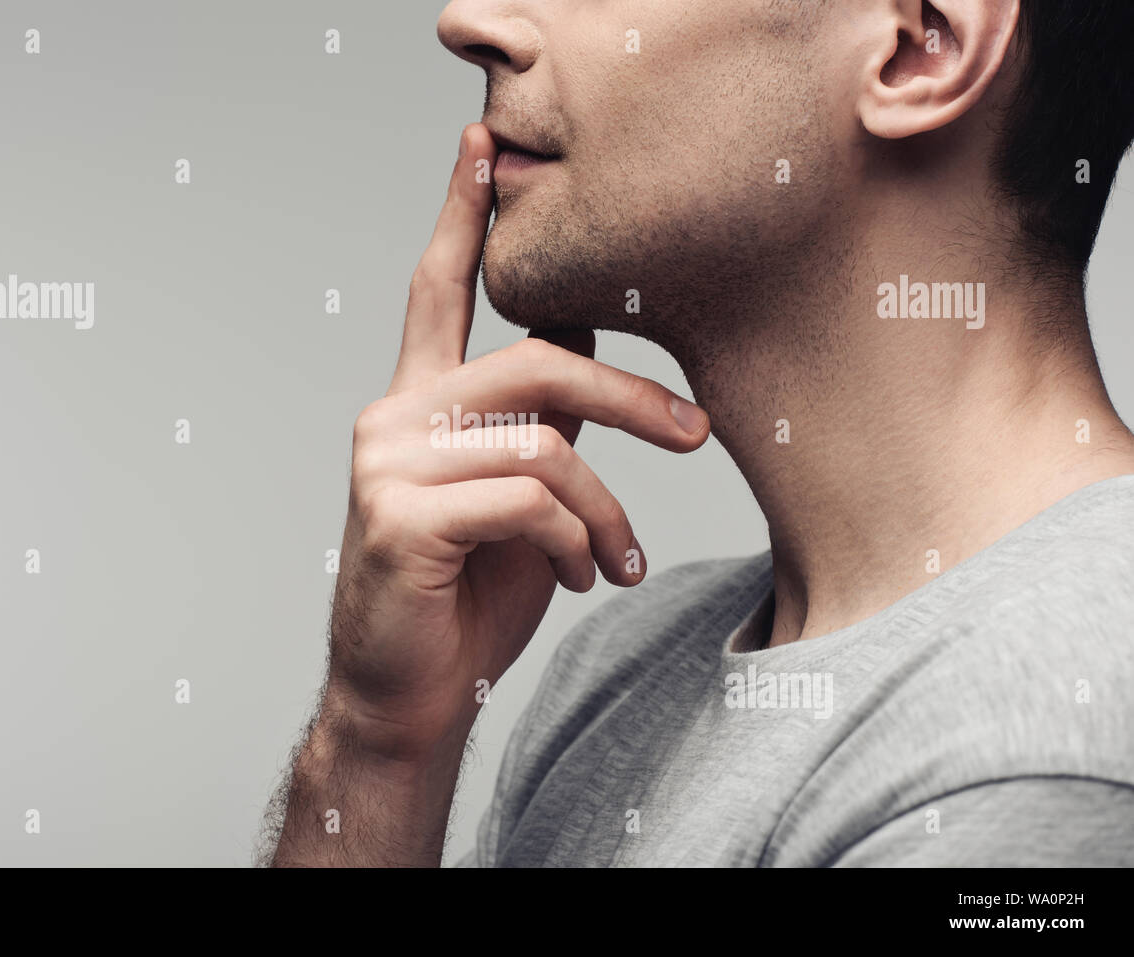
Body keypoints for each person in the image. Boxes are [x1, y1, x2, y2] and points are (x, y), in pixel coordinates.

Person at [262, 0, 1134, 866]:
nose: (470, 22)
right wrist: (378, 749)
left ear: (919, 47)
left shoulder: (1033, 743)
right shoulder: (620, 672)